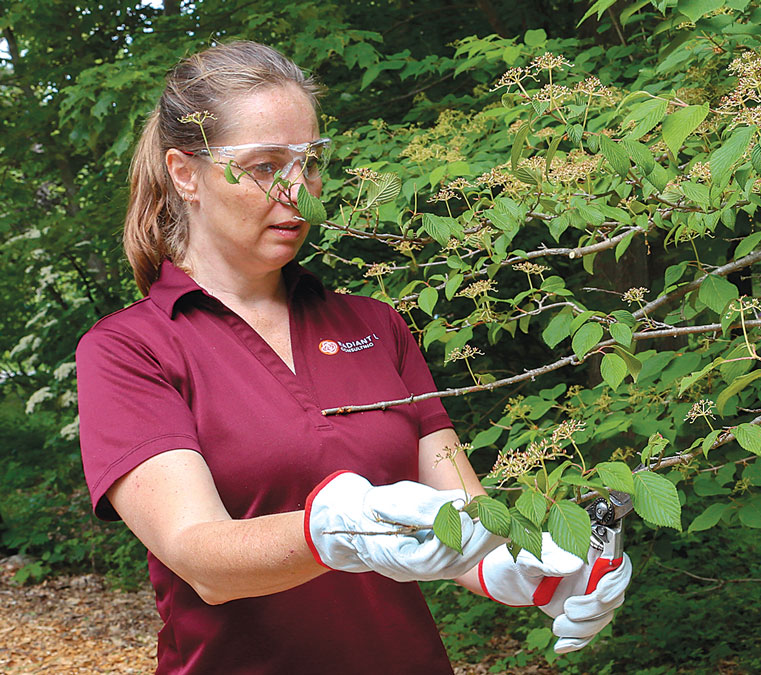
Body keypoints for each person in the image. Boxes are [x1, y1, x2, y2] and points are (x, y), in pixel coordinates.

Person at [75, 40, 632, 674]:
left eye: (309, 163)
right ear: (184, 173)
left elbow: (466, 522)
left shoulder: (375, 324)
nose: (299, 192)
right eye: (264, 166)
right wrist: (330, 530)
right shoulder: (130, 349)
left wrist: (532, 568)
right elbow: (202, 561)